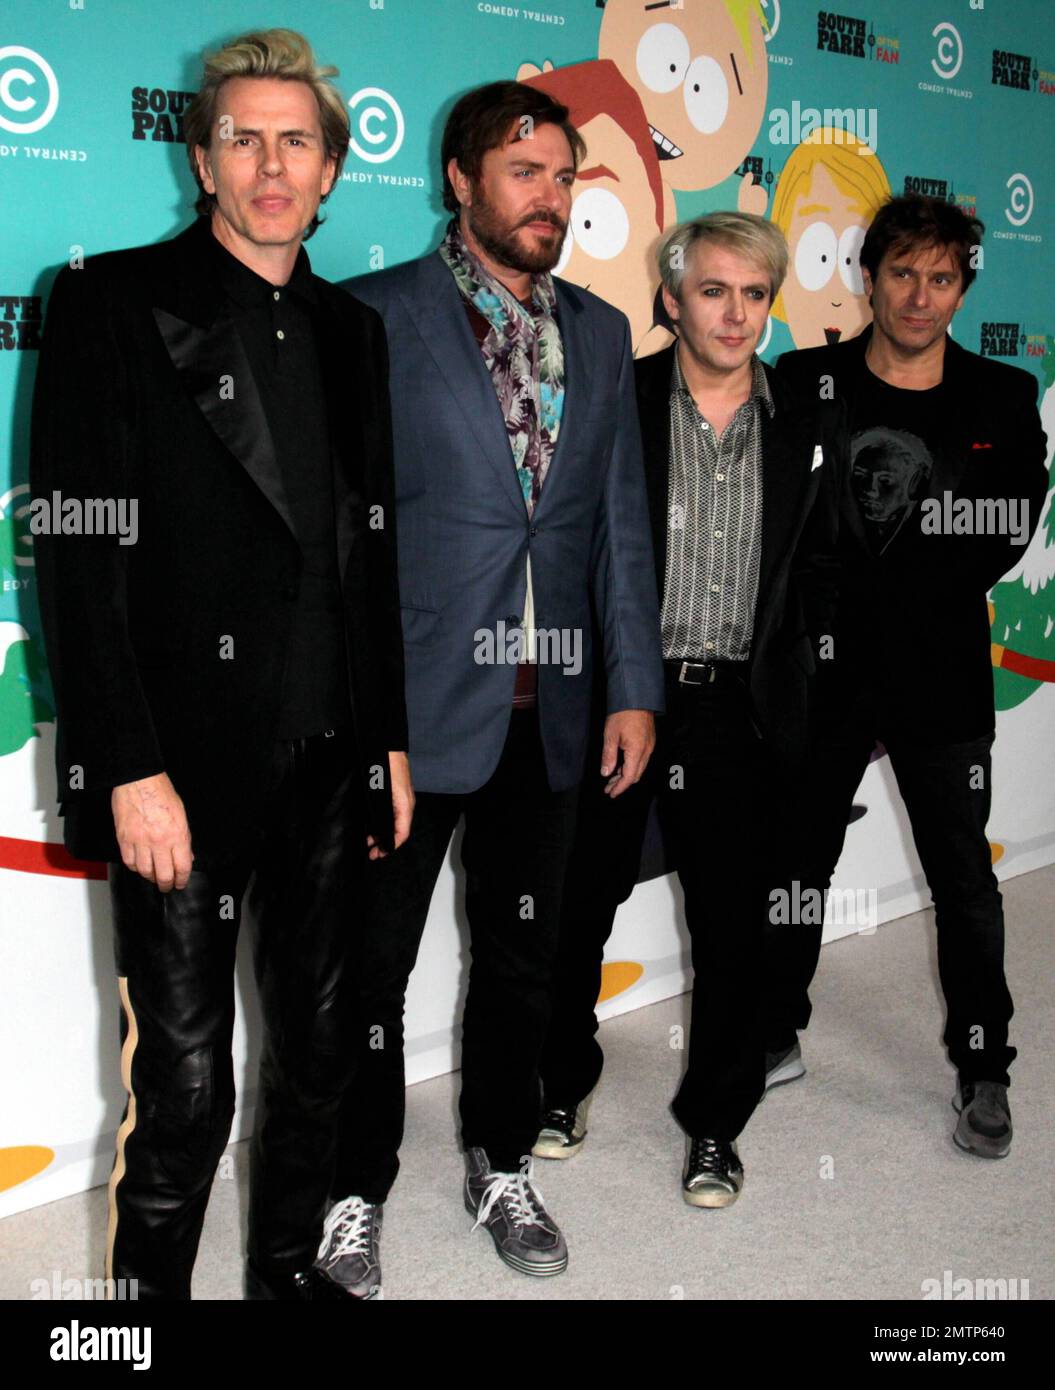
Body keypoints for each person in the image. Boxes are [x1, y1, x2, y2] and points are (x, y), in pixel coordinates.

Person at [29, 28, 411, 1300]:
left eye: (293, 139)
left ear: (330, 167)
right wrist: (126, 766)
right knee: (186, 1090)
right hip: (176, 773)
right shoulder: (106, 304)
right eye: (241, 136)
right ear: (202, 157)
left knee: (314, 1060)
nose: (267, 162)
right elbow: (77, 560)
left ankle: (286, 1283)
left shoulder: (355, 332)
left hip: (324, 761)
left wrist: (389, 737)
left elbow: (373, 558)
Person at [316, 80, 664, 1295]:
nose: (549, 198)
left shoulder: (606, 332)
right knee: (372, 969)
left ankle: (501, 1159)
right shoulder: (367, 320)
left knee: (523, 959)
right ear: (459, 182)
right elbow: (340, 542)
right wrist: (361, 717)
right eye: (524, 174)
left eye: (565, 177)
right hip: (408, 716)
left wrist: (634, 686)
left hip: (553, 709)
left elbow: (618, 522)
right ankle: (353, 1187)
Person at [534, 213, 845, 1208]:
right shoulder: (615, 399)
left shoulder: (802, 412)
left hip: (740, 710)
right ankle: (560, 1084)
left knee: (734, 931)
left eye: (754, 294)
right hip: (625, 694)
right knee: (578, 904)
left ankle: (715, 1124)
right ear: (670, 298)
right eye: (712, 290)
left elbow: (823, 566)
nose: (734, 313)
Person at [767, 193, 1049, 1158]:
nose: (918, 297)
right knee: (796, 864)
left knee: (962, 878)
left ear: (963, 287)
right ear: (868, 277)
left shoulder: (1003, 400)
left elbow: (1000, 535)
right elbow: (780, 527)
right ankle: (773, 1027)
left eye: (939, 278)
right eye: (901, 274)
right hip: (822, 669)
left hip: (937, 675)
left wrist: (872, 570)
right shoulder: (805, 382)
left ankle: (984, 1066)